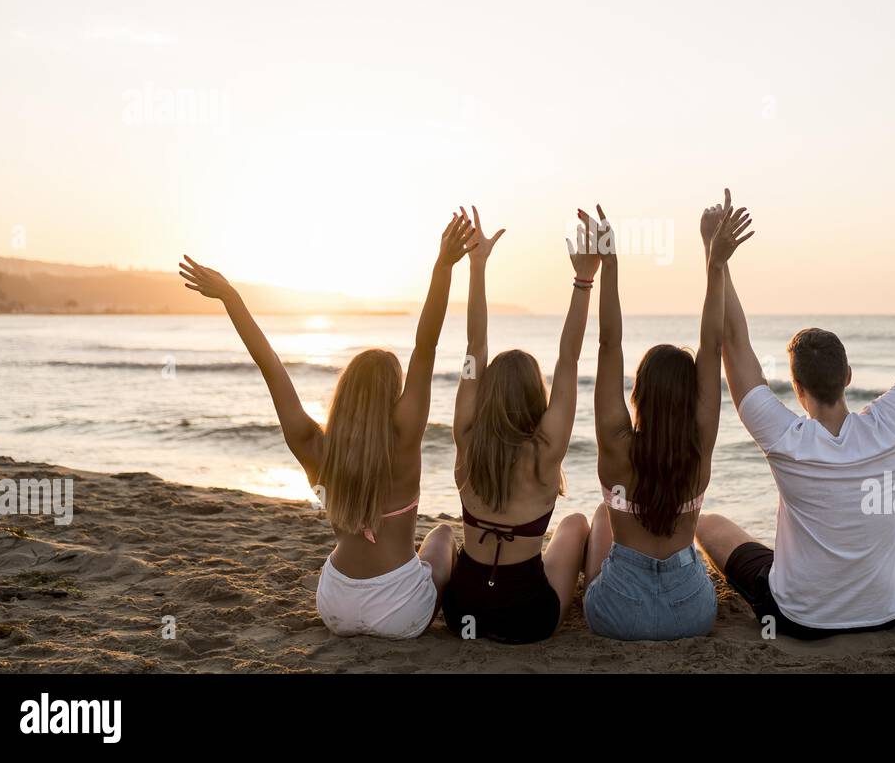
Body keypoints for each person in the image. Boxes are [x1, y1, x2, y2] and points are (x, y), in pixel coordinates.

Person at [178, 211, 476, 639]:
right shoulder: (404, 438)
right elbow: (425, 344)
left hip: (334, 605)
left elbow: (270, 364)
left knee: (422, 550)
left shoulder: (314, 447)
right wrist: (443, 266)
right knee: (444, 536)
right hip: (399, 615)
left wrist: (231, 298)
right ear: (392, 396)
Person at [696, 192, 895, 639]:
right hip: (884, 613)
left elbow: (733, 342)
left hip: (799, 619)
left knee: (709, 525)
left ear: (797, 390)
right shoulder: (893, 425)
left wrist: (715, 256)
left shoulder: (784, 436)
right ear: (848, 376)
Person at [583, 195, 753, 640]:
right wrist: (714, 265)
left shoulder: (617, 445)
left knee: (604, 516)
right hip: (691, 612)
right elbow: (712, 347)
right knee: (610, 518)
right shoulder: (700, 441)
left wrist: (611, 264)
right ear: (691, 398)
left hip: (617, 612)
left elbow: (608, 345)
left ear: (637, 393)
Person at [441, 207, 596, 643]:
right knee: (576, 525)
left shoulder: (467, 441)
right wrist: (584, 279)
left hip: (461, 611)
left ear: (488, 392)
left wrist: (477, 266)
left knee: (445, 541)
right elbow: (569, 360)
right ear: (535, 396)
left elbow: (475, 346)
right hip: (528, 618)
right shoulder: (545, 454)